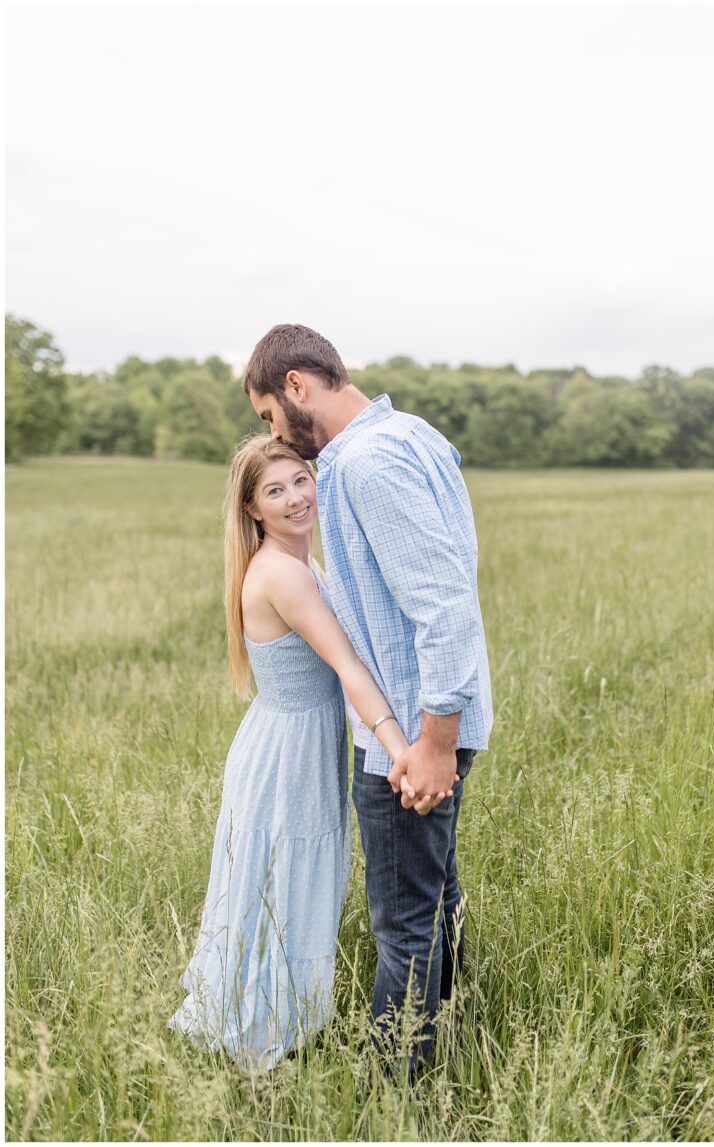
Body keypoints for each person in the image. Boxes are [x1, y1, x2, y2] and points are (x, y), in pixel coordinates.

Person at [242, 325, 493, 1074]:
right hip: (435, 725)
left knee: (404, 926)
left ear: (295, 386)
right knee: (436, 899)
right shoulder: (411, 432)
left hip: (413, 738)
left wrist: (433, 743)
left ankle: (395, 1094)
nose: (275, 433)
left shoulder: (365, 462)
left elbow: (443, 603)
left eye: (268, 416)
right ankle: (445, 1050)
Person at [167, 437, 449, 1072]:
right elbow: (346, 666)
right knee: (281, 885)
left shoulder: (298, 559)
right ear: (252, 507)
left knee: (283, 883)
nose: (296, 497)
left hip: (293, 740)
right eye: (275, 490)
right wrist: (402, 748)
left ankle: (273, 1016)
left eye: (301, 480)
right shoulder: (283, 572)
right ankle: (260, 1035)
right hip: (287, 753)